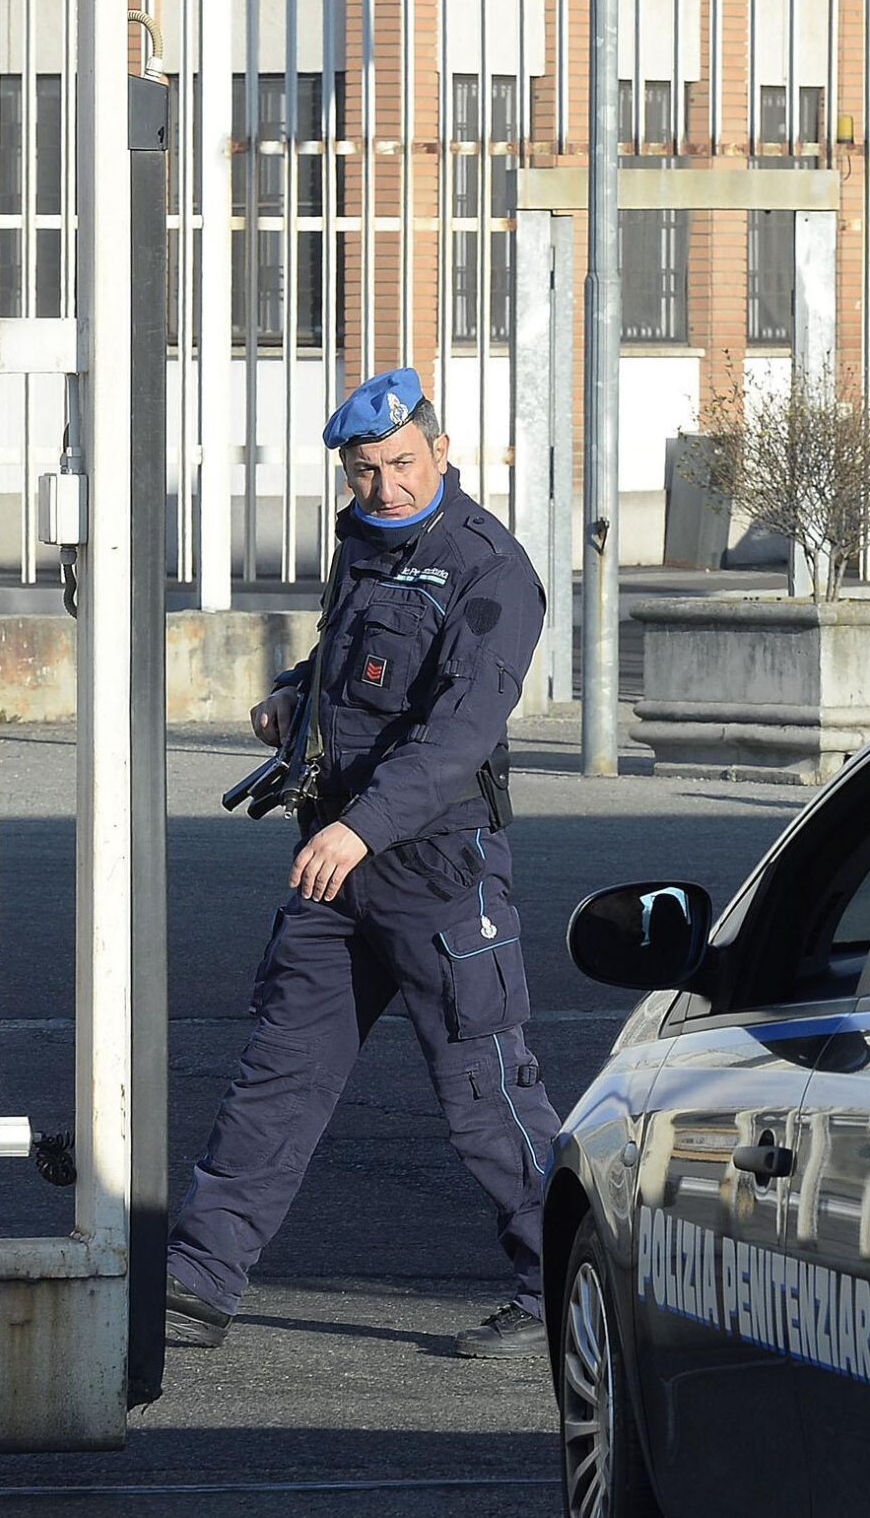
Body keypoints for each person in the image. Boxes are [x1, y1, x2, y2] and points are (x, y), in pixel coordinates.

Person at [163, 367, 561, 1361]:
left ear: (441, 450)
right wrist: (293, 697)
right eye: (365, 471)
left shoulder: (489, 568)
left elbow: (456, 733)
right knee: (277, 1074)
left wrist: (360, 828)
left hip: (435, 865)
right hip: (336, 860)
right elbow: (351, 666)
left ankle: (560, 1282)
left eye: (401, 464)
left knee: (487, 1090)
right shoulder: (364, 546)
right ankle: (198, 1279)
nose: (384, 486)